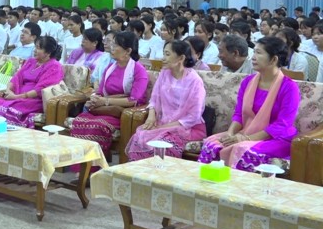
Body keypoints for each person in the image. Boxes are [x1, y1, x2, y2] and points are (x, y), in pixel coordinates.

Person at [198, 37, 300, 171]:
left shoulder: (289, 87)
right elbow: (239, 114)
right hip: (246, 131)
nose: (253, 57)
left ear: (274, 59)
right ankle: (208, 187)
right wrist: (230, 133)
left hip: (277, 138)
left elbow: (282, 124)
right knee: (211, 145)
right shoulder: (248, 82)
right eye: (254, 52)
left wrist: (245, 138)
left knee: (244, 151)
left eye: (259, 53)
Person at [70, 31, 149, 158]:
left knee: (97, 126)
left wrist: (105, 101)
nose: (111, 47)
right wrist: (94, 98)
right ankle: (81, 167)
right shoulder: (111, 67)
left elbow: (134, 100)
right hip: (103, 109)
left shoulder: (139, 70)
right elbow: (100, 91)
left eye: (115, 45)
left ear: (128, 51)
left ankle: (94, 166)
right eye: (111, 44)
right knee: (79, 121)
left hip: (124, 112)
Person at [125, 40, 207, 161]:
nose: (163, 58)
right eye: (164, 54)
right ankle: (139, 176)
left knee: (161, 144)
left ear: (181, 58)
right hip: (164, 122)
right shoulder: (164, 73)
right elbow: (154, 98)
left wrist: (164, 127)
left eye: (167, 54)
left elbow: (193, 117)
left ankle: (160, 176)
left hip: (188, 128)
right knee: (139, 137)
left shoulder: (195, 81)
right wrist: (151, 116)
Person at [0, 36, 64, 128]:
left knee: (10, 110)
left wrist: (16, 97)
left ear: (48, 52)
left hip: (34, 100)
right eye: (35, 47)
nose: (34, 50)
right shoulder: (31, 61)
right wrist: (8, 91)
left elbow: (40, 89)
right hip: (16, 96)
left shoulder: (54, 66)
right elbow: (16, 77)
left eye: (38, 48)